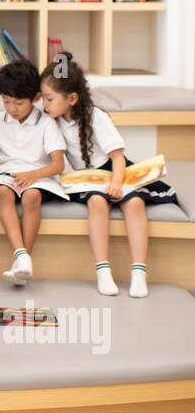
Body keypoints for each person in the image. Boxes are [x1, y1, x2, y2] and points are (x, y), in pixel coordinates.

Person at [39, 50, 177, 297]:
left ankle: (138, 272)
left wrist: (116, 183)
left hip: (114, 170)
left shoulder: (95, 116)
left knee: (134, 202)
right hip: (85, 179)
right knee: (96, 201)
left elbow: (117, 157)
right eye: (44, 99)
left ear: (71, 98)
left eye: (49, 99)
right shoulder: (52, 121)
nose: (44, 105)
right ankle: (103, 271)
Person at [0, 58, 66, 285]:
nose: (11, 109)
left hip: (39, 177)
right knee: (3, 192)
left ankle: (23, 261)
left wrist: (31, 176)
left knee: (31, 196)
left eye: (18, 103)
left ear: (35, 98)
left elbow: (58, 165)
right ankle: (22, 256)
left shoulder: (46, 123)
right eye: (6, 102)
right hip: (7, 176)